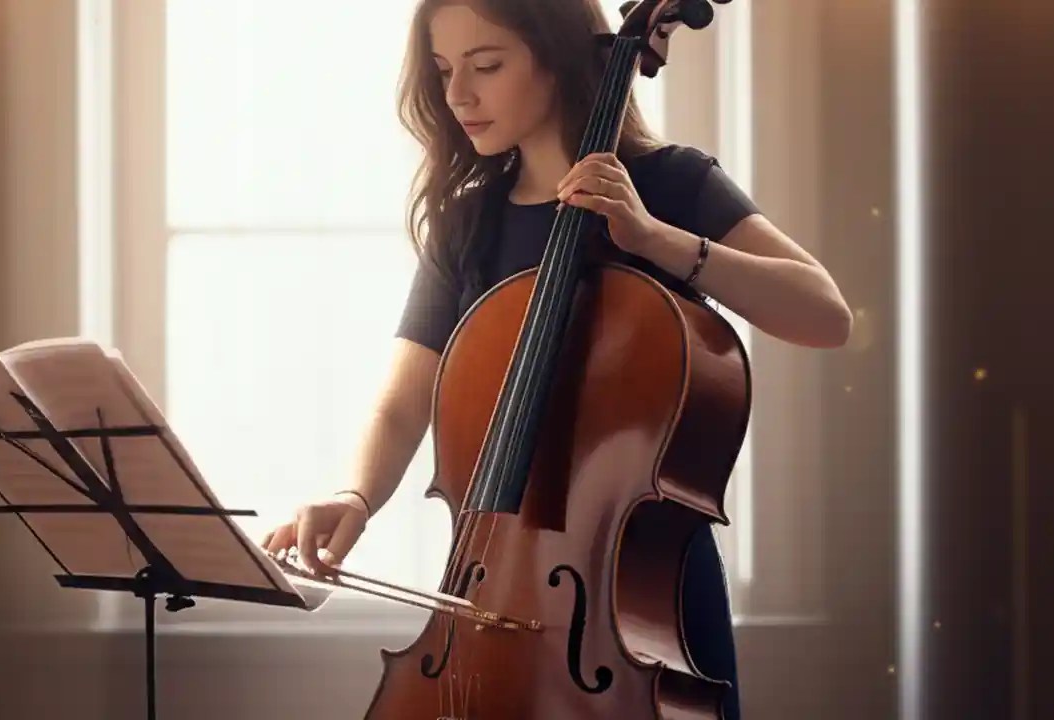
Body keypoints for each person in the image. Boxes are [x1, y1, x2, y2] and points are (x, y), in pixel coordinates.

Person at [262, 1, 852, 717]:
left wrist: (657, 239)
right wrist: (354, 495)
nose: (457, 96)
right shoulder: (467, 223)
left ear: (558, 57)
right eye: (445, 71)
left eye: (486, 66)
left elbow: (823, 314)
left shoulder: (670, 185)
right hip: (489, 591)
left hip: (641, 598)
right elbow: (403, 400)